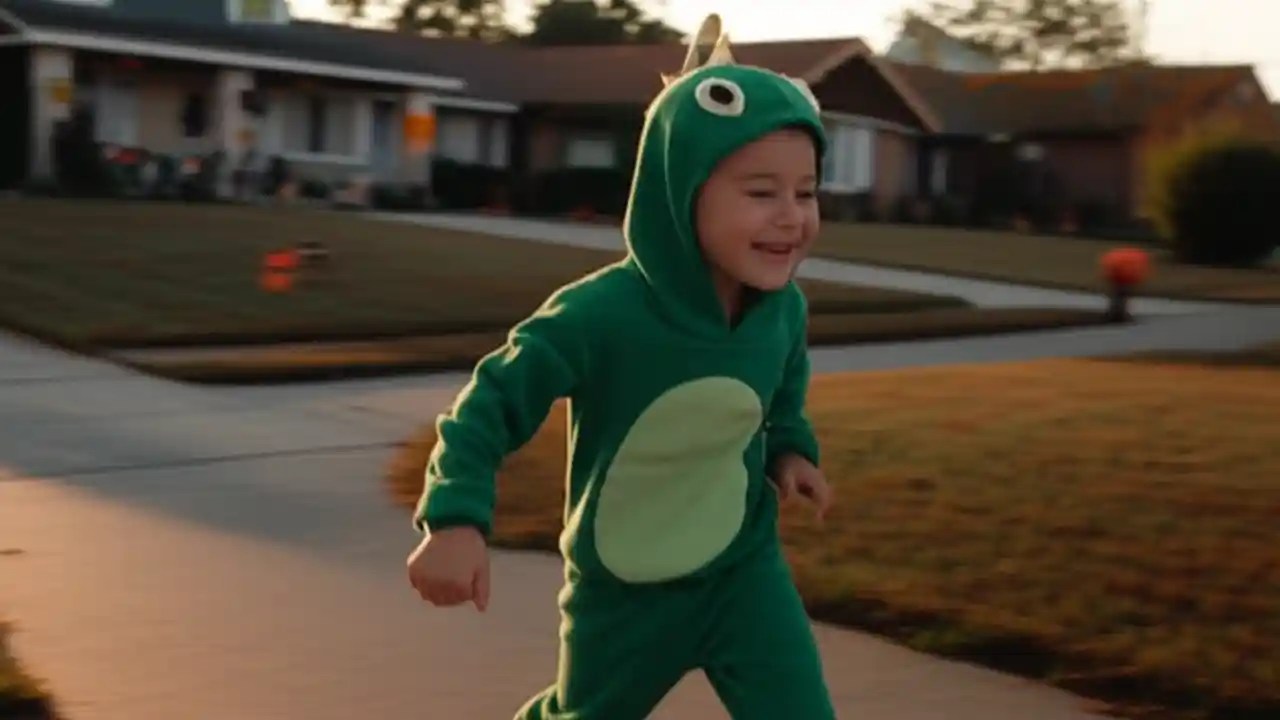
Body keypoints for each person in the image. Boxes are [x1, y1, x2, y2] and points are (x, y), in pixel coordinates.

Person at [406, 13, 836, 719]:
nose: (792, 216)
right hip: (625, 589)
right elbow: (489, 404)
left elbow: (781, 390)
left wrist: (790, 449)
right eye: (762, 193)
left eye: (807, 191)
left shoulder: (782, 310)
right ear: (679, 192)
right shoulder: (602, 316)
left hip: (741, 571)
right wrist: (453, 520)